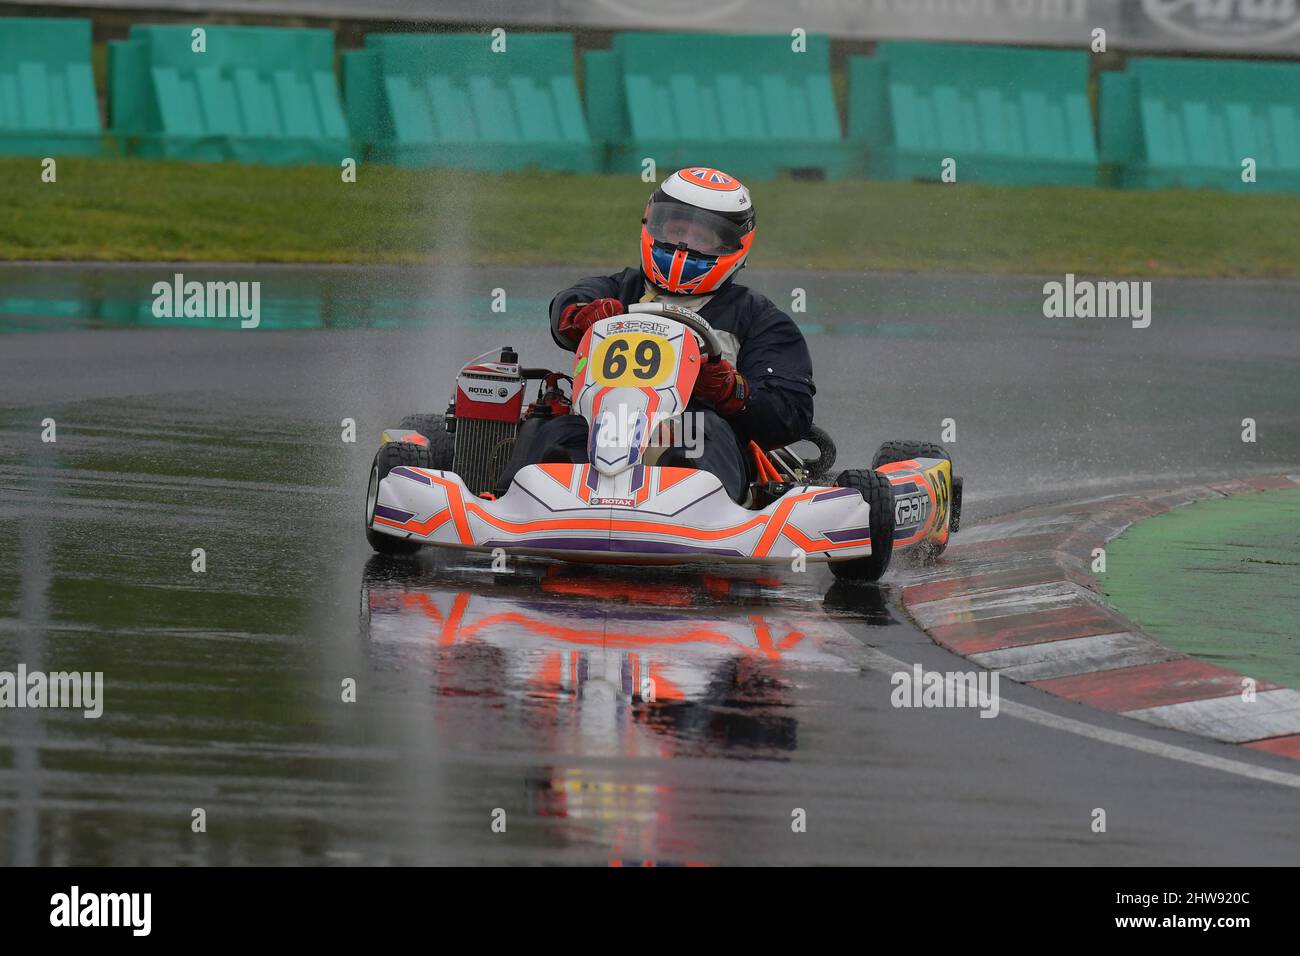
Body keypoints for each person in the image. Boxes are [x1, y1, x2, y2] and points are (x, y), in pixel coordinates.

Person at [521, 167, 815, 503]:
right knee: (554, 429)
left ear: (733, 246)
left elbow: (791, 410)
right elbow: (569, 302)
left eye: (702, 238)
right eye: (676, 230)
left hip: (690, 436)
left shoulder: (758, 318)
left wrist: (732, 390)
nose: (683, 245)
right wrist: (579, 317)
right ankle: (523, 506)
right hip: (604, 429)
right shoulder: (621, 288)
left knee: (700, 433)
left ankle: (702, 511)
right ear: (653, 226)